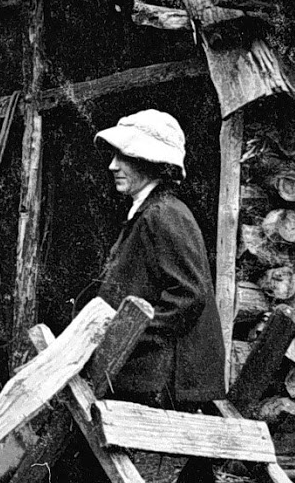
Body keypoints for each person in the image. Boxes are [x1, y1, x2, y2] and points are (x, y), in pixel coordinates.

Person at [93, 109, 225, 408]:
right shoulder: (150, 211)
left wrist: (123, 333)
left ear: (150, 161)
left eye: (124, 157)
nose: (113, 166)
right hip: (155, 373)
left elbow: (189, 296)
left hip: (170, 379)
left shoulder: (163, 214)